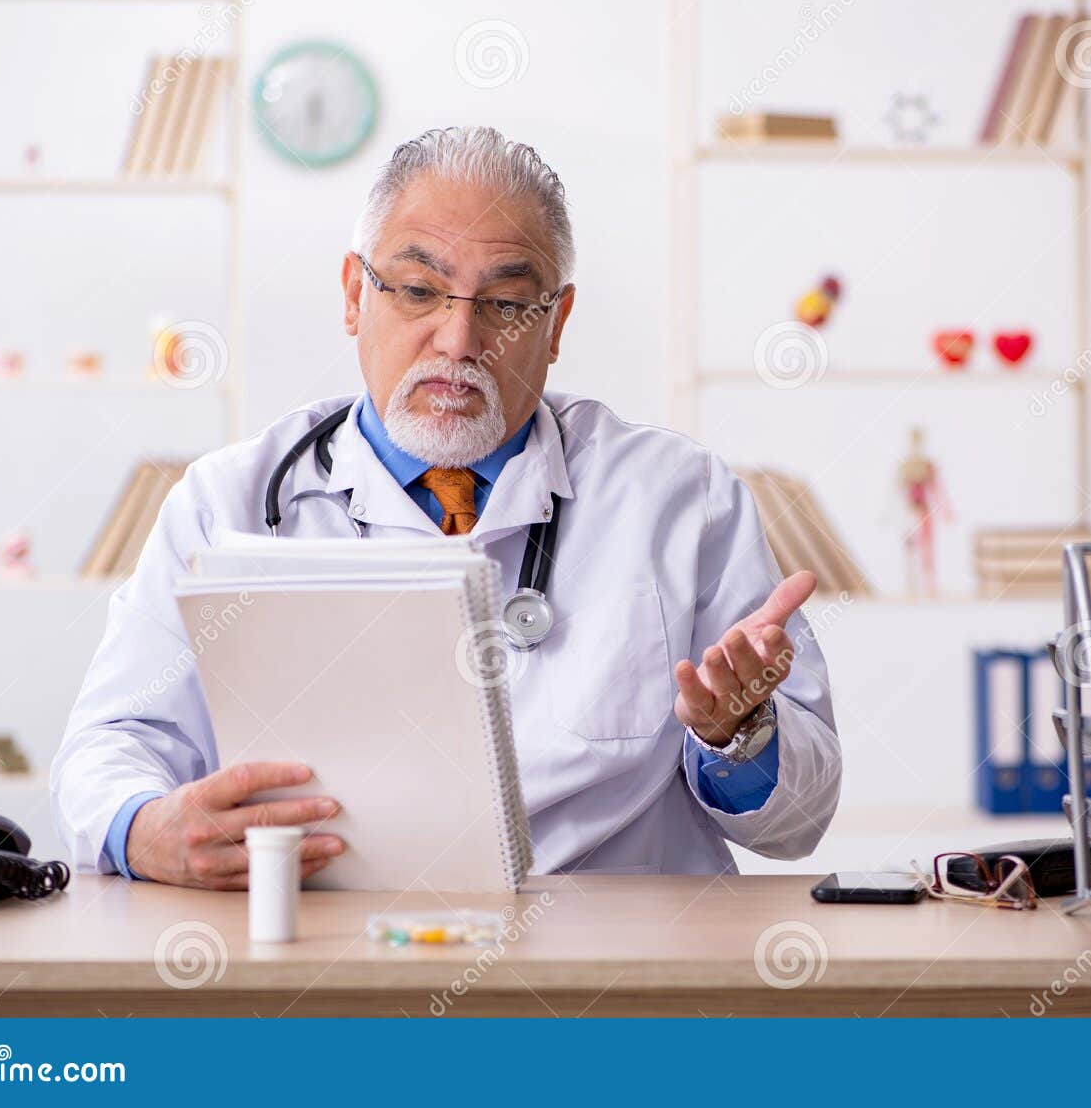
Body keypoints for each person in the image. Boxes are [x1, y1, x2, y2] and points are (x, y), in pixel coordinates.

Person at [51, 127, 842, 888]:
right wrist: (144, 828)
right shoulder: (225, 503)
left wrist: (740, 734)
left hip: (607, 979)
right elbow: (113, 742)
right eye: (420, 291)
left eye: (504, 304)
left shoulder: (677, 498)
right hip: (327, 961)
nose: (459, 340)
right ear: (356, 295)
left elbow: (800, 820)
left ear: (557, 323)